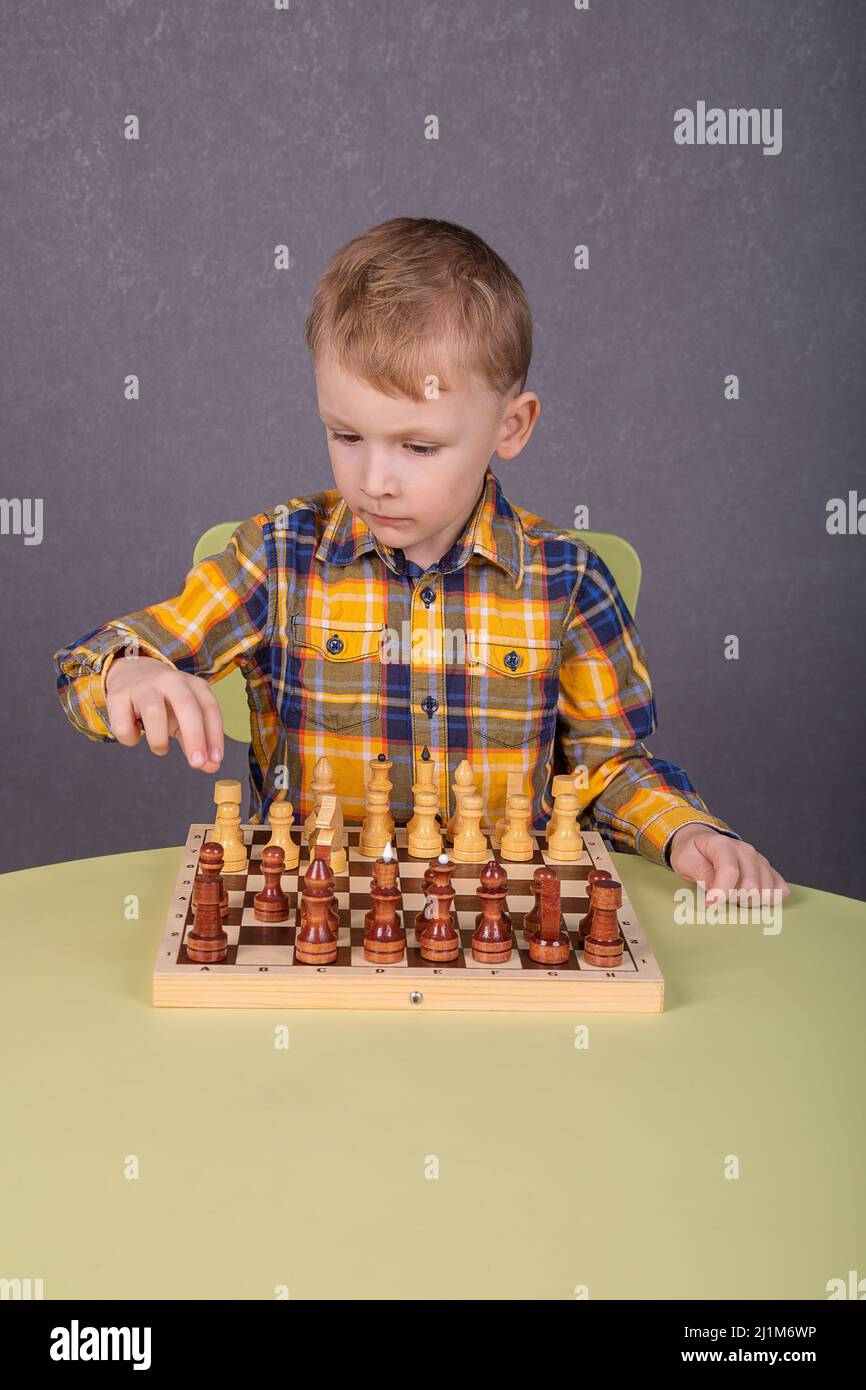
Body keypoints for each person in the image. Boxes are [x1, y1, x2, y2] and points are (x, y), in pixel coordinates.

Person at [54, 216, 788, 900]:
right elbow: (89, 662)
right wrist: (131, 669)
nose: (375, 479)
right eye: (346, 435)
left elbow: (610, 769)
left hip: (504, 935)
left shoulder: (567, 583)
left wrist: (687, 830)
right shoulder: (279, 558)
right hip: (320, 924)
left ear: (512, 425)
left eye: (419, 446)